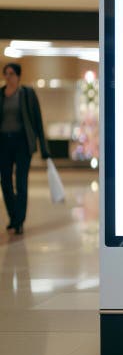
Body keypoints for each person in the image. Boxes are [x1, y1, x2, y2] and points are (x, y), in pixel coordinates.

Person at [0, 63, 50, 234]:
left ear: (18, 76)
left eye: (11, 73)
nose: (8, 76)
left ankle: (19, 221)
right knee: (5, 182)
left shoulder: (27, 94)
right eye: (6, 73)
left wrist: (44, 148)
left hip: (22, 143)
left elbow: (38, 121)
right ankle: (13, 216)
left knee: (21, 182)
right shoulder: (1, 94)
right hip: (4, 144)